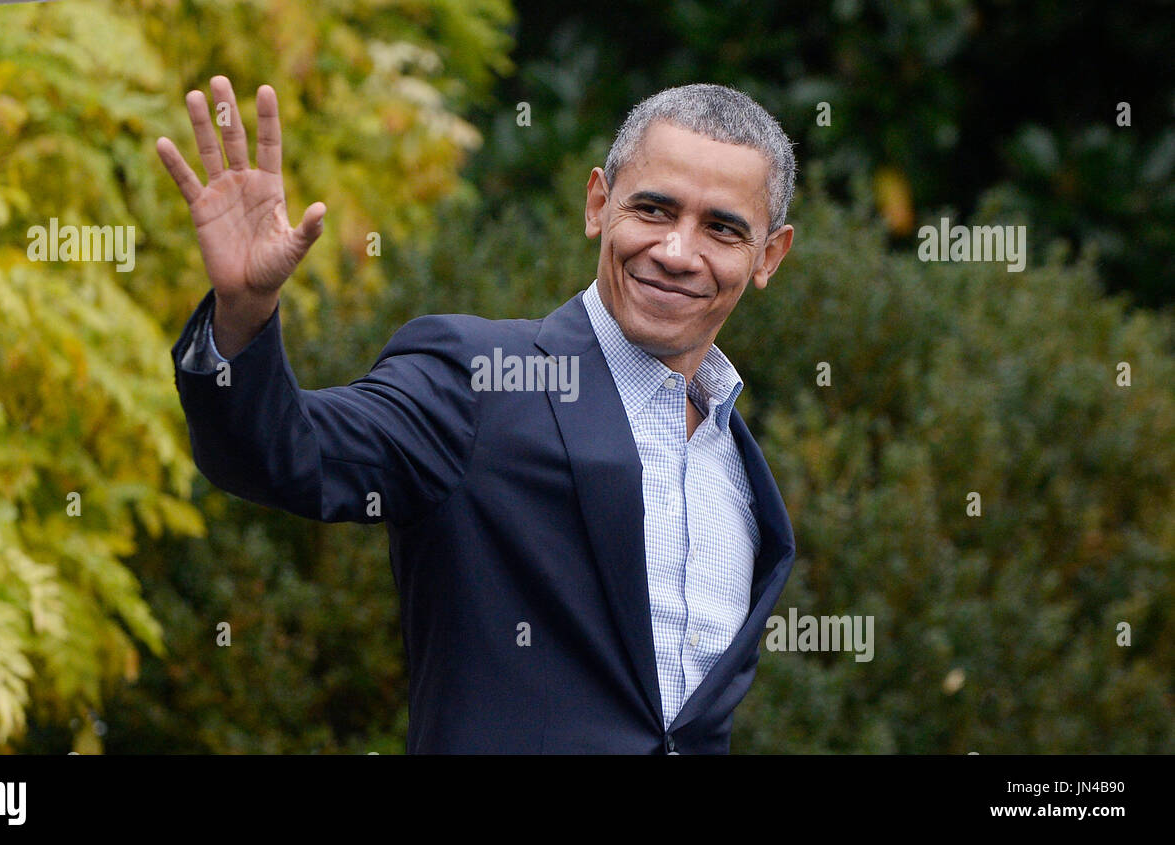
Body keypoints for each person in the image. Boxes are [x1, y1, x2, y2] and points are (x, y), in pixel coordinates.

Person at [156, 76, 797, 754]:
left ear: (768, 256)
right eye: (654, 210)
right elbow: (282, 455)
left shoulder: (740, 473)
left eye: (722, 228)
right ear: (598, 204)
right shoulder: (474, 378)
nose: (676, 252)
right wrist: (244, 314)